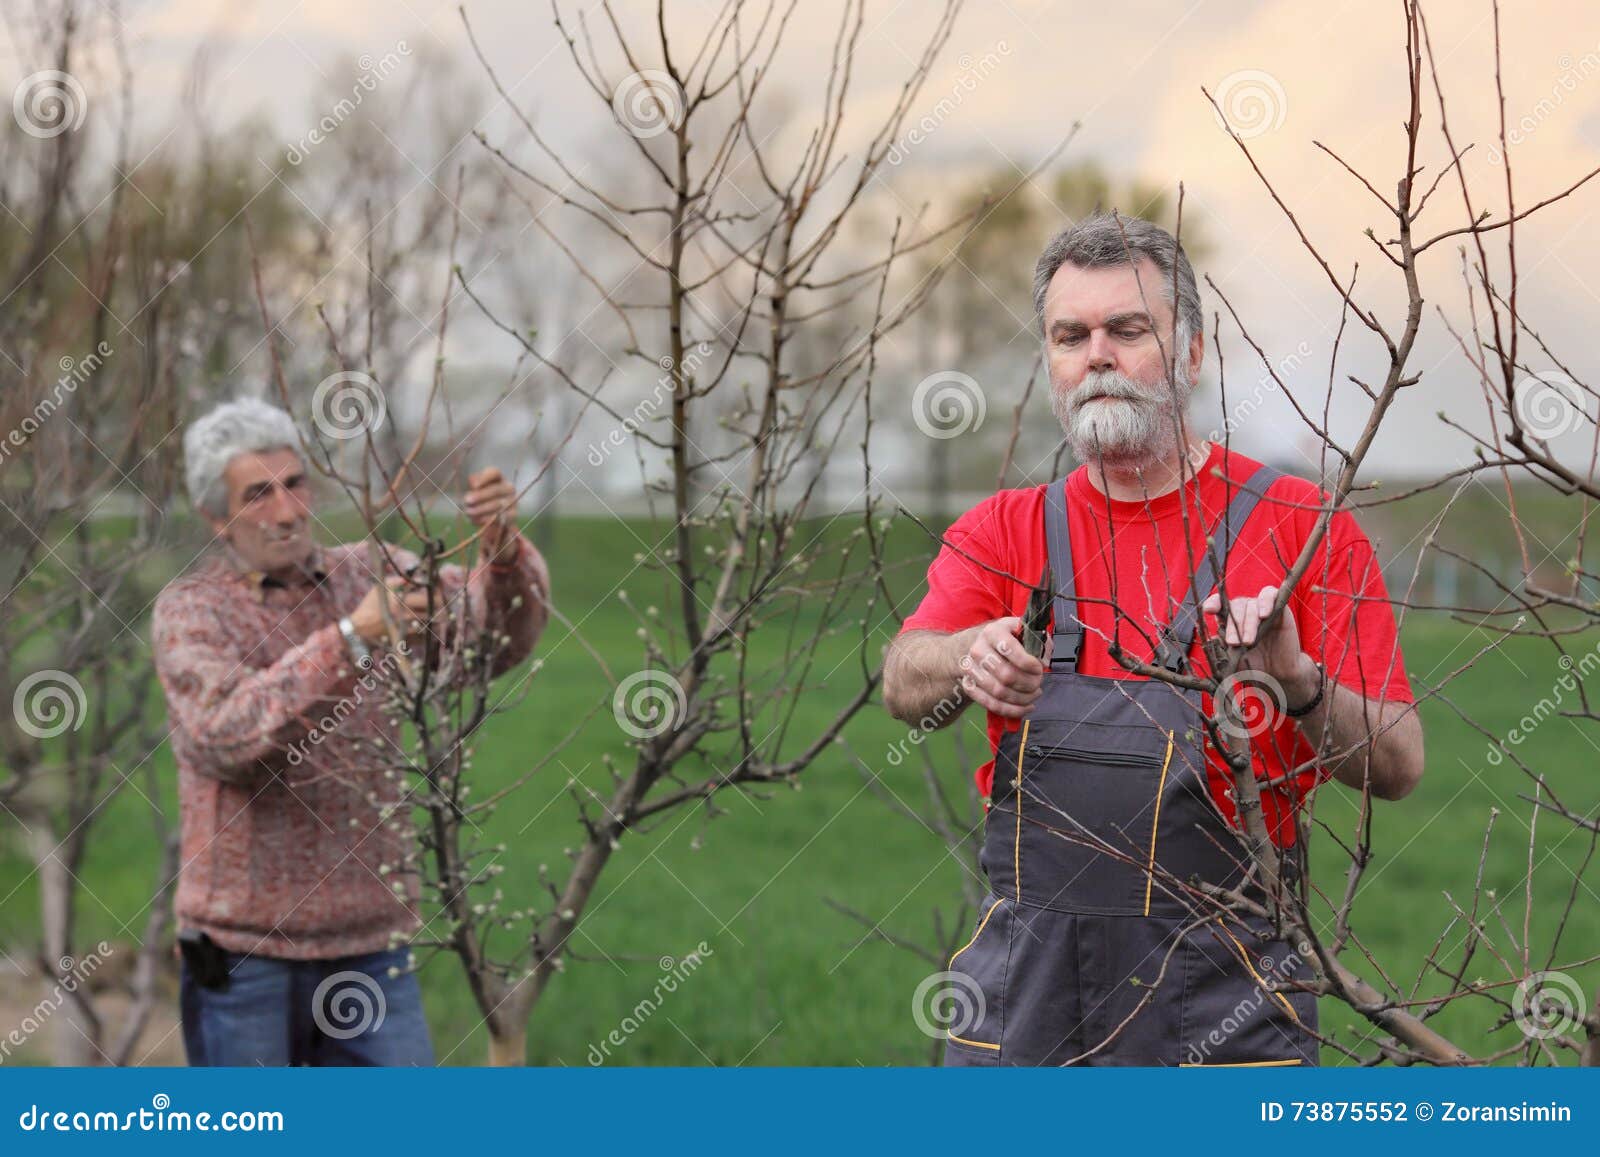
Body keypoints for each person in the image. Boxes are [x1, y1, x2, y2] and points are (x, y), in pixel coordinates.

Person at [882, 213, 1423, 1067]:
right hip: (1027, 999)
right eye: (1071, 335)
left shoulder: (1301, 530)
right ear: (1051, 360)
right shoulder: (1004, 531)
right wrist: (963, 655)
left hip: (1229, 1001)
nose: (1097, 354)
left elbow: (1398, 764)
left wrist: (1297, 679)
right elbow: (904, 677)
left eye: (1127, 330)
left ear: (1195, 352)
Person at [152, 397, 550, 1066]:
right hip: (244, 956)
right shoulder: (192, 610)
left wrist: (503, 552)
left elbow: (492, 640)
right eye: (257, 495)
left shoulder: (370, 574)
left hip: (369, 948)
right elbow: (229, 735)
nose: (286, 510)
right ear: (215, 518)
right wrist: (352, 639)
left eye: (294, 483)